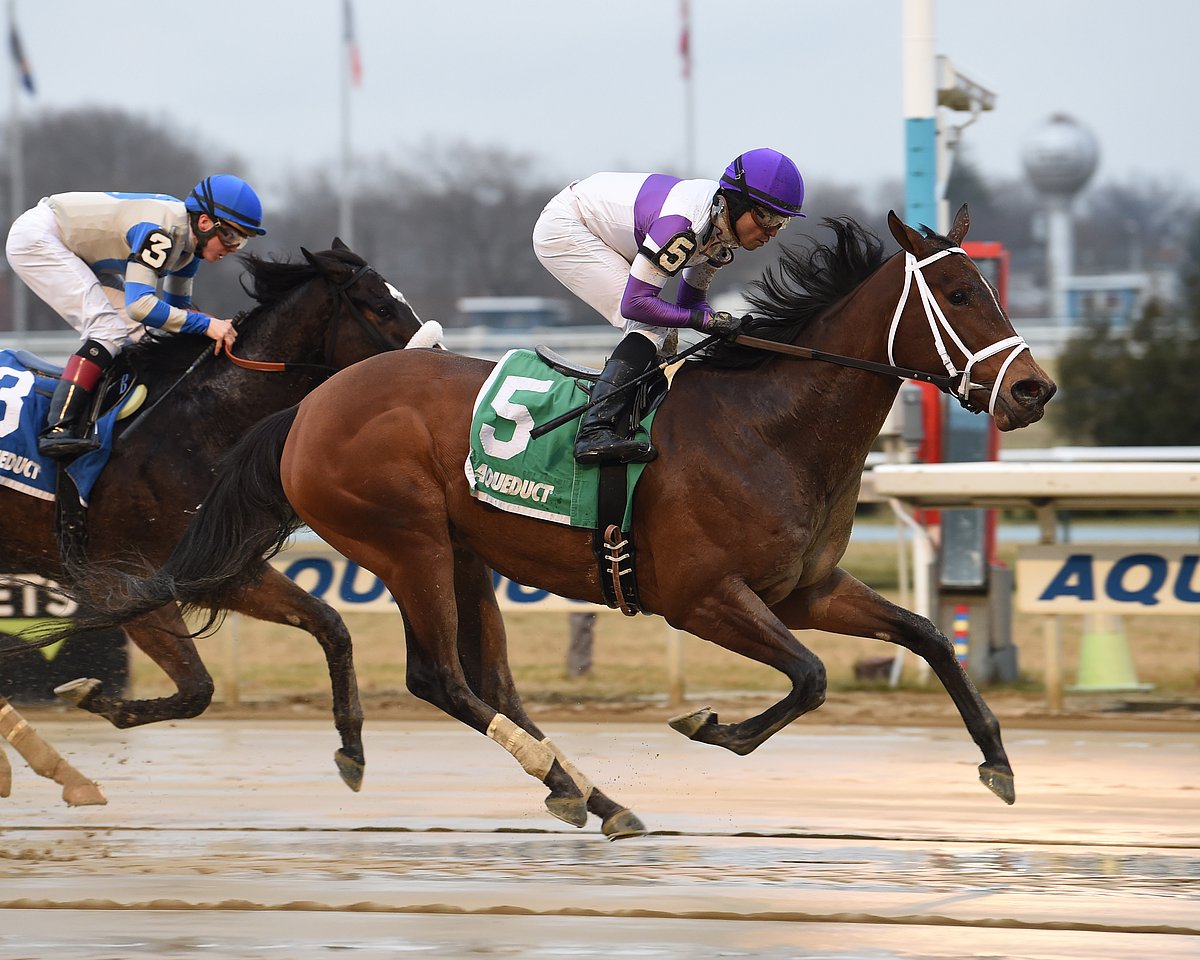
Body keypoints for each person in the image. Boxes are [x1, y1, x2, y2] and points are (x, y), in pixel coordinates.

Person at [532, 147, 805, 465]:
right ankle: (594, 432)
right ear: (738, 202)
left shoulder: (721, 228)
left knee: (666, 334)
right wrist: (706, 322)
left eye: (782, 222)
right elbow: (636, 304)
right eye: (767, 217)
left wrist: (724, 325)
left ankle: (640, 414)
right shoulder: (684, 225)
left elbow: (691, 302)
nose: (772, 231)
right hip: (566, 226)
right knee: (651, 325)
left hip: (604, 228)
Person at [4, 174, 266, 458]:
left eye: (242, 241)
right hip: (40, 238)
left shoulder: (189, 249)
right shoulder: (162, 233)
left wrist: (213, 327)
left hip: (72, 247)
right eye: (231, 236)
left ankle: (105, 420)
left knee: (140, 334)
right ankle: (58, 427)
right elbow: (140, 306)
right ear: (204, 223)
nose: (233, 248)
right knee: (108, 330)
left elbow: (177, 313)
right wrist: (206, 324)